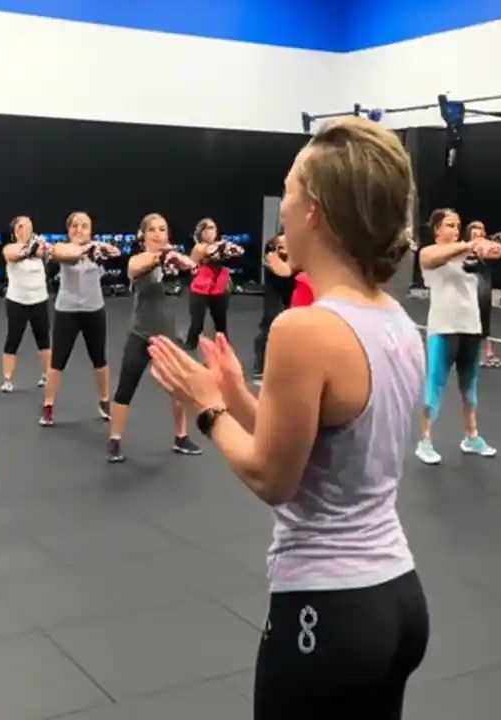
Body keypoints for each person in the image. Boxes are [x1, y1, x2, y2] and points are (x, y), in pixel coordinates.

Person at [146, 115, 429, 719]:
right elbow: (320, 446)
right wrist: (238, 396)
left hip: (328, 613)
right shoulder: (398, 322)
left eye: (291, 192)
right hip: (398, 598)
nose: (282, 211)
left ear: (316, 213)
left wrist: (207, 408)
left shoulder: (305, 328)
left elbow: (274, 478)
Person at [106, 213, 204, 463]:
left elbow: (194, 270)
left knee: (178, 390)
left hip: (168, 337)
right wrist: (160, 257)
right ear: (144, 235)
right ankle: (115, 440)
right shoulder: (139, 259)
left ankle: (181, 437)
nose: (158, 234)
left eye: (163, 229)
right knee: (126, 388)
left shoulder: (175, 260)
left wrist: (187, 263)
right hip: (141, 334)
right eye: (153, 230)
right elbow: (134, 269)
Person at [415, 208, 501, 464]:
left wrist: (489, 247)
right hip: (443, 327)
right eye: (450, 225)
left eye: (457, 225)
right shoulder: (429, 253)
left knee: (470, 389)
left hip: (471, 327)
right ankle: (425, 441)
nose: (455, 229)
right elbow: (434, 258)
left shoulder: (467, 254)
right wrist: (471, 245)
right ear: (437, 230)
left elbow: (495, 252)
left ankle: (471, 437)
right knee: (435, 386)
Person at [40, 211, 121, 426]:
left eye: (84, 226)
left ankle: (104, 401)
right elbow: (61, 253)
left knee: (99, 359)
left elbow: (115, 252)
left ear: (91, 230)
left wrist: (106, 250)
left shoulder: (98, 249)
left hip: (94, 310)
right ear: (68, 231)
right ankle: (48, 405)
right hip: (67, 311)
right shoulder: (62, 248)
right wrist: (89, 249)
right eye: (74, 226)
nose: (79, 230)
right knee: (57, 362)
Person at [0, 215, 52, 392]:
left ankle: (47, 375)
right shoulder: (9, 248)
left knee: (43, 339)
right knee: (13, 338)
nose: (24, 230)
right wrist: (33, 248)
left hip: (39, 300)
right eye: (20, 227)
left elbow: (46, 252)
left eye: (28, 226)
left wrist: (41, 248)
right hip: (17, 301)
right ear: (14, 231)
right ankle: (7, 379)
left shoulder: (40, 247)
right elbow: (14, 255)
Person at [184, 217, 244, 348]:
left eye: (211, 228)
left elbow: (239, 252)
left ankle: (224, 345)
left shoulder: (224, 245)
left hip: (219, 288)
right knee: (197, 321)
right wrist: (219, 251)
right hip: (200, 288)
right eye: (204, 228)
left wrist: (227, 251)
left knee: (220, 320)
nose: (208, 232)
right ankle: (191, 343)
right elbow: (195, 264)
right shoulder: (198, 247)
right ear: (200, 232)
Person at [252, 233, 295, 380]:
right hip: (274, 293)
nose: (285, 247)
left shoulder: (295, 256)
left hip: (292, 293)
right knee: (270, 323)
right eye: (281, 245)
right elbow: (286, 272)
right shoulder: (271, 257)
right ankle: (259, 365)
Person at [464, 221, 501, 368]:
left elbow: (496, 252)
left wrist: (486, 246)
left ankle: (487, 353)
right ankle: (469, 354)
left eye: (481, 234)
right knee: (469, 323)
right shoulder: (462, 249)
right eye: (474, 234)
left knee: (484, 321)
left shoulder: (489, 246)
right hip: (468, 289)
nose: (478, 237)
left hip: (483, 288)